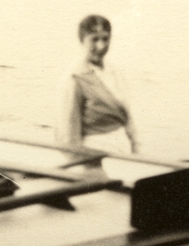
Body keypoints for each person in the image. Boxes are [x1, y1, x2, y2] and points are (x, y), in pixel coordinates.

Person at [56, 14, 140, 155]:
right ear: (82, 40)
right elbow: (68, 132)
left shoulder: (114, 72)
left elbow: (128, 116)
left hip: (124, 151)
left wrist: (137, 150)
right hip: (94, 156)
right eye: (94, 39)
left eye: (105, 39)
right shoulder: (75, 77)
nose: (101, 46)